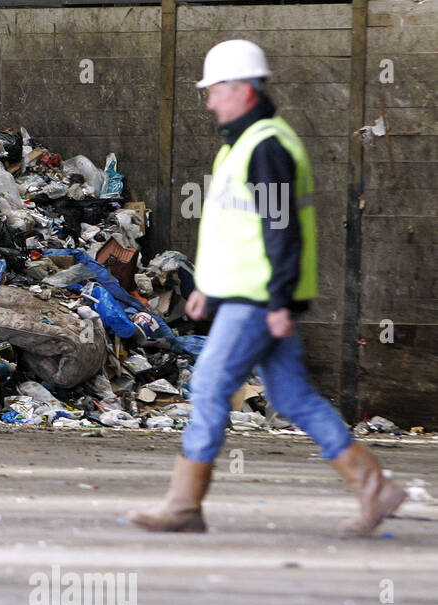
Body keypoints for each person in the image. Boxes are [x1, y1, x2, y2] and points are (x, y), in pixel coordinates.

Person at [127, 40, 405, 536]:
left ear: (239, 89)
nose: (209, 100)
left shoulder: (266, 148)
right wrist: (208, 287)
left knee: (210, 386)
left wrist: (278, 300)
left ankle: (184, 504)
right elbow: (239, 232)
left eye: (214, 90)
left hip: (257, 302)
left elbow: (281, 231)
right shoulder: (245, 145)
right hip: (247, 295)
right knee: (293, 397)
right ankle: (374, 486)